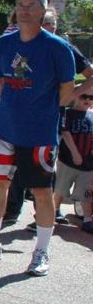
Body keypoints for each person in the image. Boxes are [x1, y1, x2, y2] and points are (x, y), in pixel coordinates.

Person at [0, 0, 93, 277]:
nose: (24, 10)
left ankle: (41, 252)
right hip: (3, 129)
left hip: (39, 132)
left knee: (41, 191)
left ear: (43, 10)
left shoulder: (58, 48)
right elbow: (1, 81)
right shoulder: (4, 43)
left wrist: (46, 104)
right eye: (20, 5)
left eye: (31, 5)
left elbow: (66, 93)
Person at [56, 91, 93, 233]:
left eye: (91, 97)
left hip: (88, 164)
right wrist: (74, 153)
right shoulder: (68, 113)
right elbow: (65, 133)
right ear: (76, 96)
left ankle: (88, 220)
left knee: (86, 193)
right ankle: (53, 211)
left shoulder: (91, 115)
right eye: (84, 96)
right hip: (68, 161)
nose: (87, 100)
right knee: (60, 189)